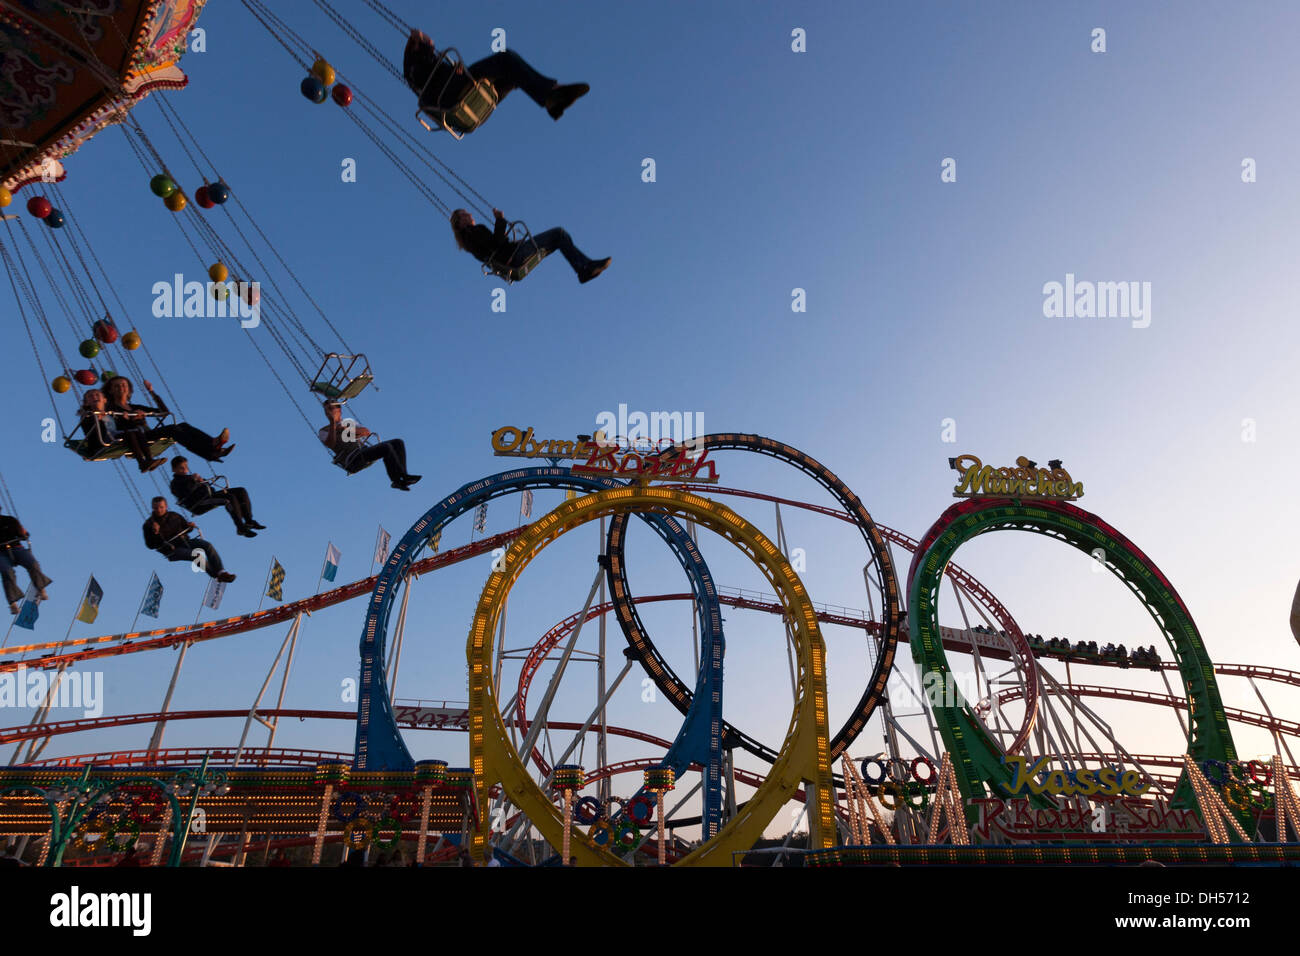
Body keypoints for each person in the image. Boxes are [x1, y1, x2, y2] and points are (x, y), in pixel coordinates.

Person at [404, 28, 589, 123]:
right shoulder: (415, 69)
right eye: (427, 43)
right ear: (417, 47)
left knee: (512, 75)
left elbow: (438, 74)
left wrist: (455, 69)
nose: (432, 43)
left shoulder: (430, 68)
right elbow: (420, 75)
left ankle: (553, 97)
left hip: (459, 94)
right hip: (453, 98)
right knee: (505, 58)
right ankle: (550, 93)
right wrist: (421, 39)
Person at [451, 208, 611, 283]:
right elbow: (496, 244)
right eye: (465, 214)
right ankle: (584, 269)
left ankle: (584, 268)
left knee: (557, 240)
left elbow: (492, 247)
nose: (470, 215)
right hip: (513, 258)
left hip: (509, 260)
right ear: (460, 223)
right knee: (558, 234)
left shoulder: (469, 241)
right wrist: (499, 220)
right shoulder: (473, 232)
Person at [104, 376, 233, 463]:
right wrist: (129, 418)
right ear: (110, 390)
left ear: (129, 389)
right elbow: (113, 425)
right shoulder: (110, 407)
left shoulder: (134, 406)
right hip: (132, 437)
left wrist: (152, 392)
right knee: (173, 431)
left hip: (145, 434)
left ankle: (213, 444)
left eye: (123, 385)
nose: (121, 387)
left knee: (183, 425)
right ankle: (211, 451)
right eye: (117, 386)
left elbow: (163, 412)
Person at [318, 401, 421, 490]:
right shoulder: (323, 431)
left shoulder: (349, 423)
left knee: (398, 442)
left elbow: (366, 432)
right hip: (352, 459)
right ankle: (397, 480)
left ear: (339, 410)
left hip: (363, 451)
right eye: (326, 410)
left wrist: (345, 429)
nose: (328, 412)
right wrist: (333, 425)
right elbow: (330, 443)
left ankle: (404, 475)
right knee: (386, 448)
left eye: (331, 408)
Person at [142, 496, 235, 582]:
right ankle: (216, 575)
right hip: (172, 549)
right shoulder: (149, 524)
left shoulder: (174, 516)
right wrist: (156, 533)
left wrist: (190, 526)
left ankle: (221, 572)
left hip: (185, 541)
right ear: (152, 508)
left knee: (207, 546)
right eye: (156, 508)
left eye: (161, 507)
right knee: (196, 555)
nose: (158, 510)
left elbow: (186, 528)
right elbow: (150, 545)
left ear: (166, 506)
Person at [169, 457, 265, 538]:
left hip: (208, 495)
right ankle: (240, 527)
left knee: (241, 491)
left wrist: (202, 480)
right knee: (229, 499)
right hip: (198, 502)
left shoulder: (189, 477)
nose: (185, 469)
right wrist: (194, 481)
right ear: (174, 469)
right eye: (181, 468)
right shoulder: (175, 483)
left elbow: (205, 484)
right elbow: (186, 493)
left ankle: (249, 521)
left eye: (186, 467)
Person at [79, 389, 166, 472]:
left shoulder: (111, 414)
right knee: (129, 434)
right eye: (90, 396)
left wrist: (126, 419)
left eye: (97, 395)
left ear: (104, 400)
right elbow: (91, 434)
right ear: (87, 403)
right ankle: (142, 463)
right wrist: (98, 420)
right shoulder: (87, 416)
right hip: (101, 441)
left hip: (115, 436)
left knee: (136, 431)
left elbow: (121, 427)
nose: (94, 397)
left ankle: (149, 459)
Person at [0, 507, 52, 615]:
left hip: (16, 547)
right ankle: (13, 602)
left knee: (33, 564)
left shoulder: (10, 520)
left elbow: (22, 532)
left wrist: (24, 535)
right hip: (1, 553)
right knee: (7, 572)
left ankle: (40, 587)